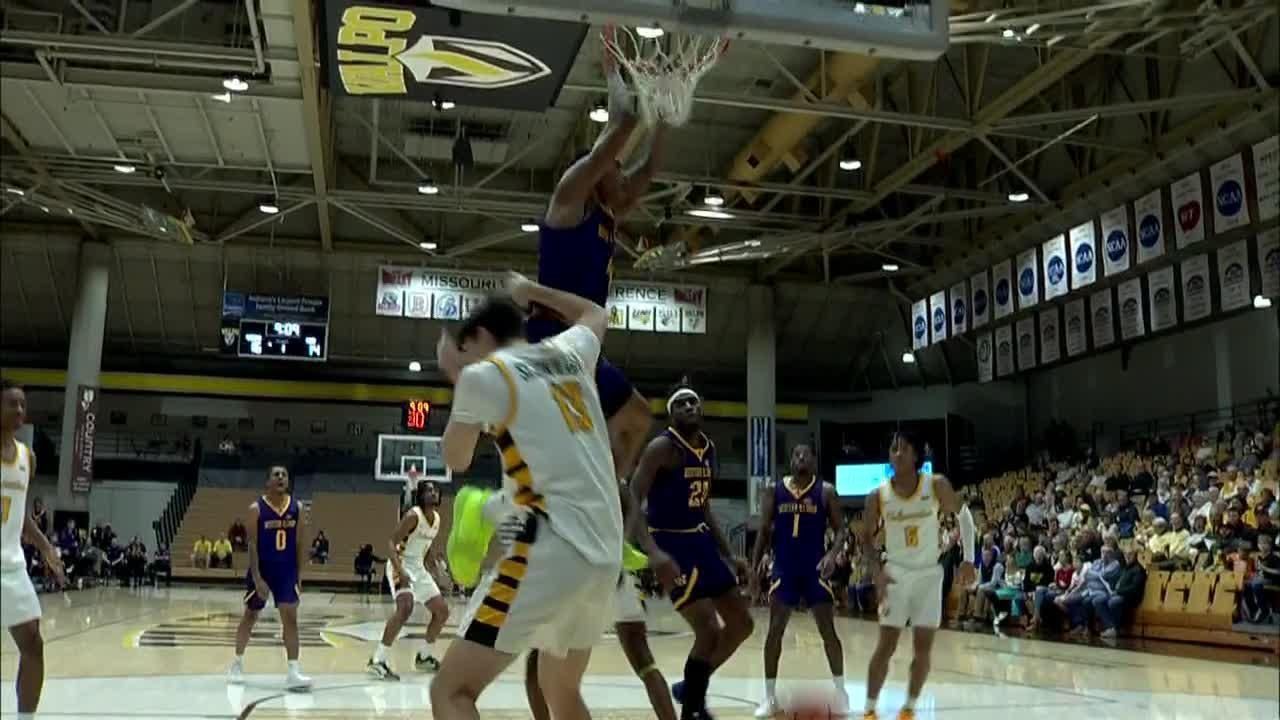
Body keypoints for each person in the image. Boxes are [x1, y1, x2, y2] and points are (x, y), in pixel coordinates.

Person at [429, 273, 624, 720]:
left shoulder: (483, 375)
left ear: (478, 338)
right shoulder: (569, 352)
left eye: (461, 349)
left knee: (451, 690)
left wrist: (458, 375)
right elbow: (596, 313)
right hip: (603, 556)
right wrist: (532, 292)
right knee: (561, 690)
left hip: (553, 549)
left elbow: (455, 458)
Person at [527, 51, 666, 481]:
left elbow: (650, 168)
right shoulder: (569, 199)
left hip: (582, 343)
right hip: (551, 338)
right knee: (581, 431)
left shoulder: (610, 211)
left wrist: (665, 112)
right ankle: (582, 481)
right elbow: (623, 123)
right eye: (616, 167)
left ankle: (607, 490)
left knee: (639, 417)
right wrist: (613, 72)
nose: (623, 175)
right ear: (597, 169)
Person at [631, 383, 754, 720]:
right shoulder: (662, 447)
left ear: (701, 408)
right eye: (681, 403)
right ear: (671, 412)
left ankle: (692, 686)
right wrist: (652, 551)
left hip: (700, 541)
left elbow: (704, 507)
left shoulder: (709, 448)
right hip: (670, 543)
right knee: (708, 630)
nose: (688, 407)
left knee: (742, 624)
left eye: (693, 402)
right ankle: (694, 710)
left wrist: (730, 554)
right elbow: (632, 497)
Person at [526, 479, 679, 720]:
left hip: (591, 570)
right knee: (644, 662)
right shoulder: (609, 475)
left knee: (540, 663)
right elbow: (632, 504)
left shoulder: (580, 470)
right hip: (619, 569)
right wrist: (647, 550)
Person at [861, 431, 975, 720]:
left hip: (928, 575)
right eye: (892, 448)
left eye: (902, 448)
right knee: (885, 646)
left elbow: (964, 516)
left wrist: (969, 559)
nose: (896, 453)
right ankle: (869, 710)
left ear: (915, 455)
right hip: (896, 574)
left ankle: (909, 708)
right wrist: (876, 572)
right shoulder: (878, 495)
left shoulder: (935, 485)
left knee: (923, 648)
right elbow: (866, 538)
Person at [749, 444, 848, 716]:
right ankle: (769, 697)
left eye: (806, 454)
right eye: (796, 454)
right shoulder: (774, 490)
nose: (801, 457)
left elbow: (841, 530)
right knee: (775, 631)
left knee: (828, 632)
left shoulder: (826, 491)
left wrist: (832, 554)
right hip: (784, 568)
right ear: (790, 460)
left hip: (815, 568)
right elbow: (763, 531)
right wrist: (755, 567)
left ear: (815, 461)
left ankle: (841, 691)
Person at [2, 380, 66, 719]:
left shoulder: (28, 458)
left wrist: (47, 548)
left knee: (34, 645)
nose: (19, 411)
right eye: (12, 404)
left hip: (11, 567)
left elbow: (23, 515)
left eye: (23, 405)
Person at [227, 465, 311, 690]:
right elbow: (252, 545)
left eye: (284, 474)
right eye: (276, 475)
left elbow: (301, 543)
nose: (281, 477)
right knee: (250, 616)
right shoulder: (256, 508)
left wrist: (300, 575)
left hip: (287, 570)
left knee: (290, 619)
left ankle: (293, 670)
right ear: (268, 482)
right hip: (263, 569)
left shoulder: (298, 507)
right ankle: (237, 663)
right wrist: (256, 577)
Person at [367, 480, 450, 680]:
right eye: (428, 490)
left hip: (418, 568)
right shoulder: (413, 516)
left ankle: (424, 656)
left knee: (442, 612)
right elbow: (390, 542)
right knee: (405, 608)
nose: (433, 493)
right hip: (400, 563)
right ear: (420, 495)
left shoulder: (436, 519)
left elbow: (426, 547)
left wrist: (437, 570)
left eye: (435, 490)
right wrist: (400, 569)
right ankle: (378, 660)